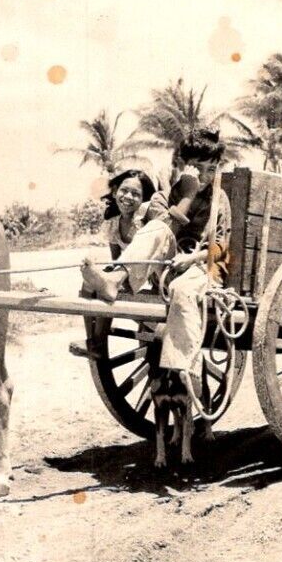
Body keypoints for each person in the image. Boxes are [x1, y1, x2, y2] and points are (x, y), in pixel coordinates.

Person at [79, 129, 232, 417]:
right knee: (159, 228)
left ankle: (186, 371)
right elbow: (159, 235)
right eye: (198, 168)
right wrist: (186, 194)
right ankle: (114, 280)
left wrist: (193, 258)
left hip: (204, 269)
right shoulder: (163, 198)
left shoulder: (219, 198)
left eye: (211, 169)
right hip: (166, 269)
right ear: (182, 166)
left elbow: (222, 248)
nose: (206, 175)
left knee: (182, 290)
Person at [99, 168, 166, 261]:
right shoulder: (113, 225)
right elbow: (116, 260)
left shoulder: (148, 222)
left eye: (135, 194)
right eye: (124, 190)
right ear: (115, 192)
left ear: (144, 199)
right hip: (128, 272)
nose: (128, 196)